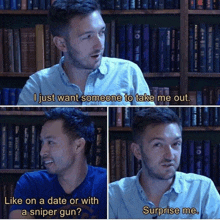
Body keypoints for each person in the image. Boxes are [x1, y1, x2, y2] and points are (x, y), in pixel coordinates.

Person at [17, 0, 154, 106]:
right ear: (61, 44)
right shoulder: (38, 85)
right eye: (87, 37)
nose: (99, 45)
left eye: (101, 32)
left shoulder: (129, 73)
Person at [109, 107, 220, 219]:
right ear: (137, 151)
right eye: (158, 145)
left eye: (176, 144)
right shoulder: (113, 196)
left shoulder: (203, 190)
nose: (170, 155)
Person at [9, 108, 107, 219]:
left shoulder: (105, 184)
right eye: (43, 142)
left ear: (78, 146)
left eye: (51, 142)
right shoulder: (30, 183)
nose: (42, 152)